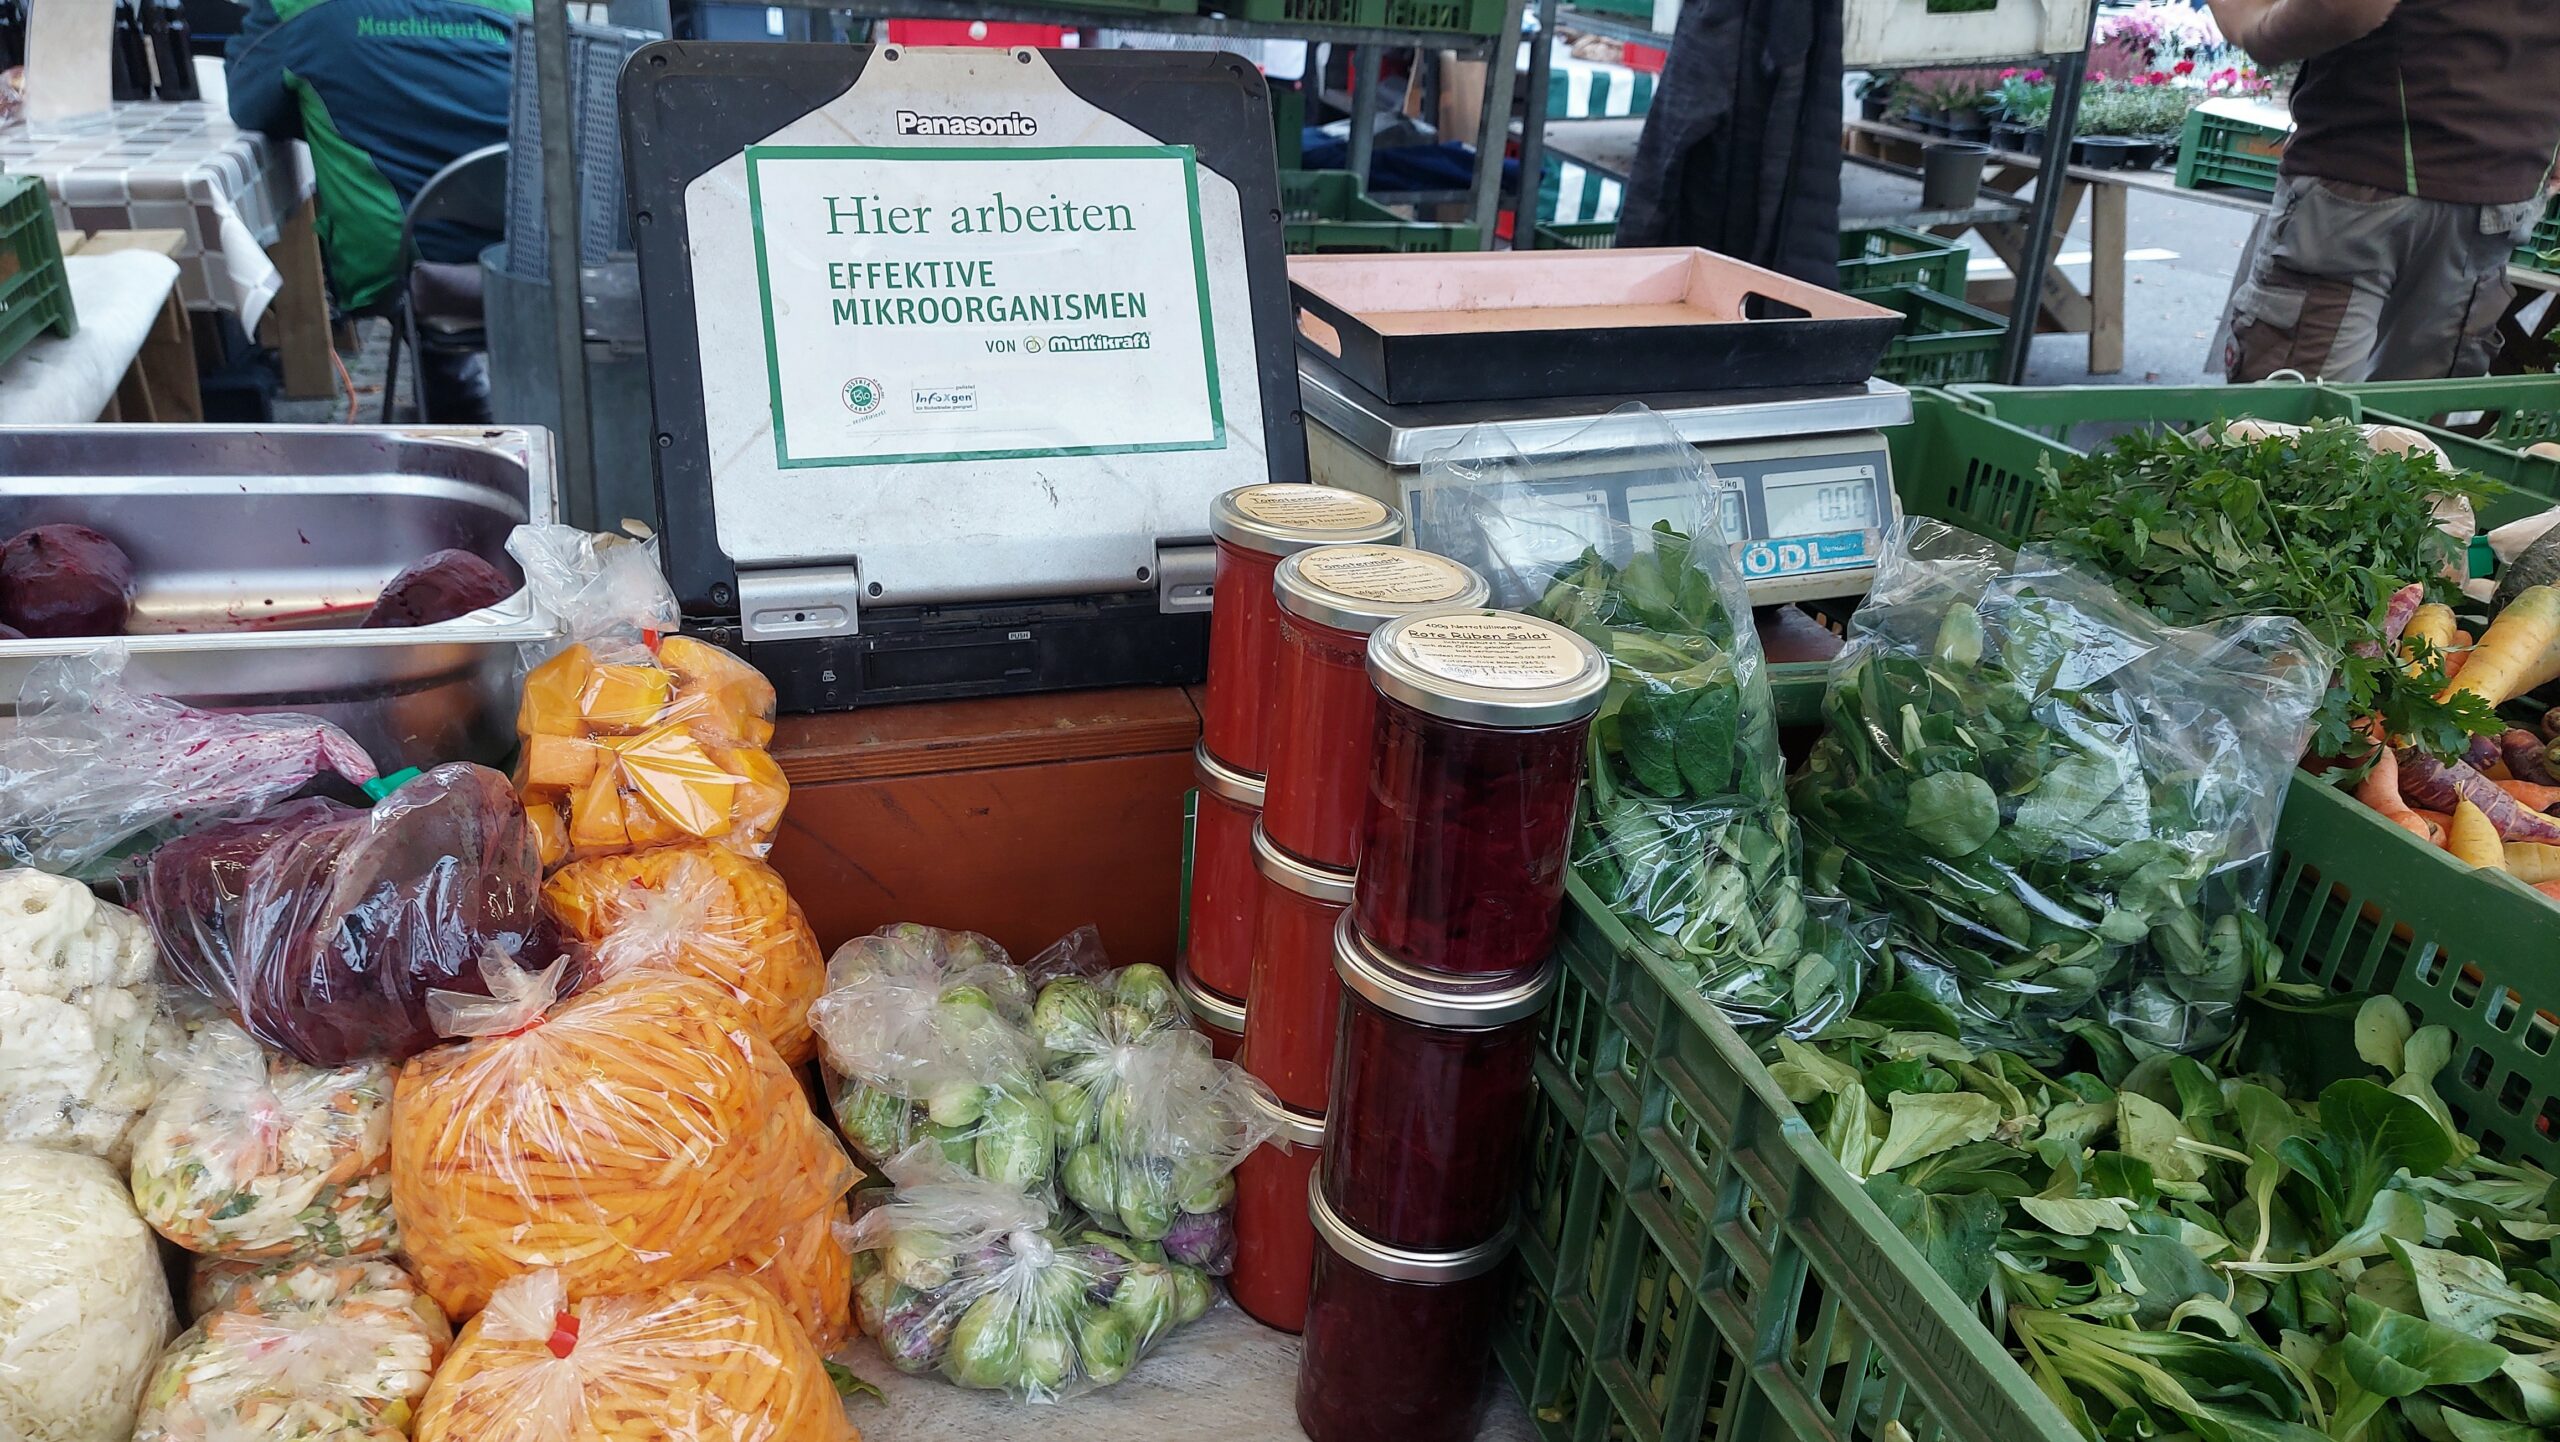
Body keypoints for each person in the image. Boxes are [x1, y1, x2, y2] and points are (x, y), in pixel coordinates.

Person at [2208, 0, 2560, 382]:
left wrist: (2255, 29)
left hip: (2367, 169)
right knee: (2408, 424)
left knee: (2292, 423)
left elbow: (2347, 7)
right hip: (2502, 180)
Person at [226, 0, 525, 420]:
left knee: (401, 210)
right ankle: (468, 393)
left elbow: (251, 105)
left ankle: (452, 395)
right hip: (547, 250)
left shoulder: (295, 9)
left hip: (402, 265)